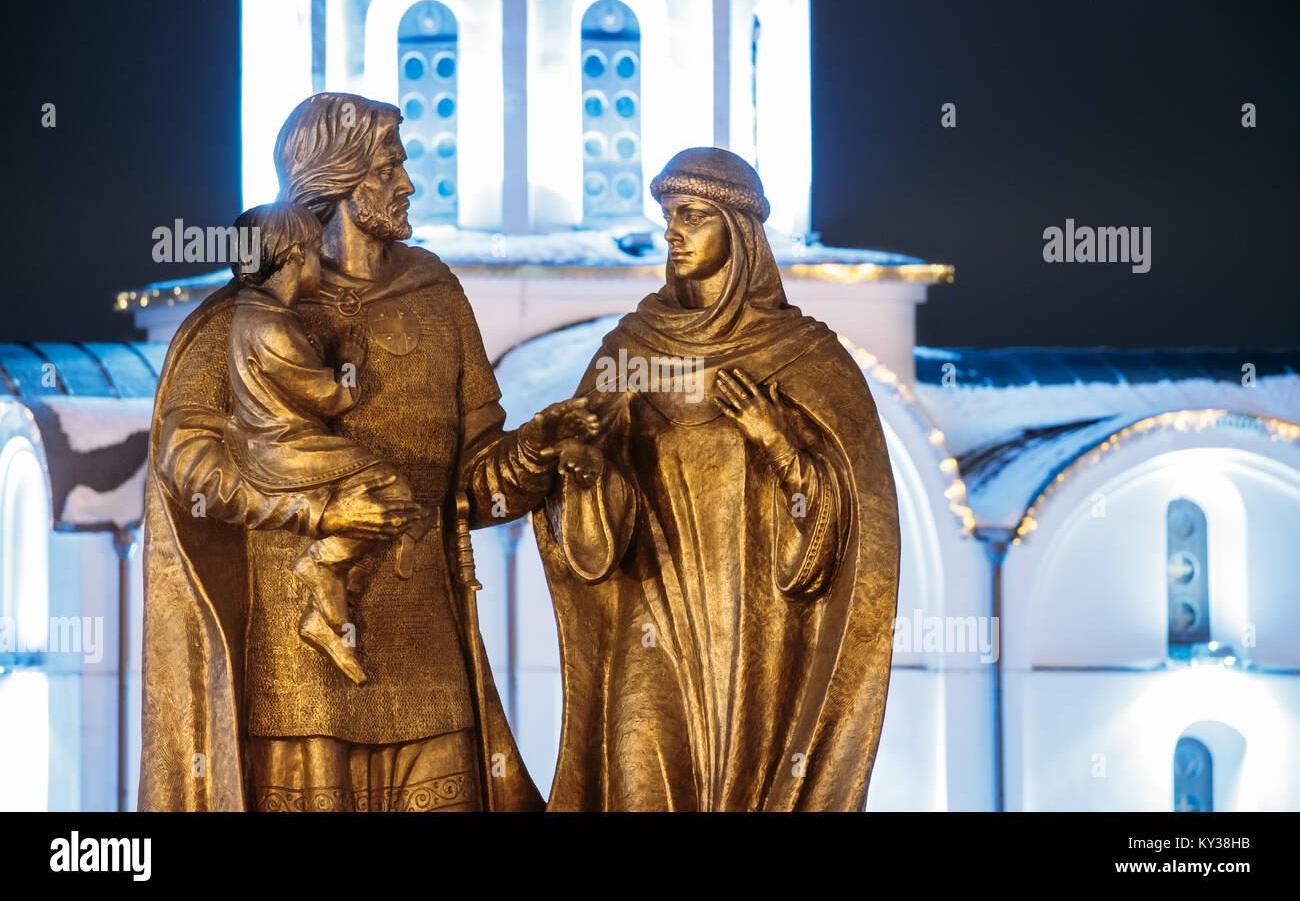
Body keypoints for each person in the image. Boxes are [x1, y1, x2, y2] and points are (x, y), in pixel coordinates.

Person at [141, 93, 595, 812]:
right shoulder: (248, 312)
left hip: (428, 662)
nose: (408, 185)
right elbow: (189, 462)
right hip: (298, 678)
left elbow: (471, 485)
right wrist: (312, 507)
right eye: (390, 167)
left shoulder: (437, 296)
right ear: (341, 179)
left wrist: (537, 453)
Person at [534, 147, 902, 811]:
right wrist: (587, 473)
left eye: (691, 215)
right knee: (638, 774)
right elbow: (590, 544)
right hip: (649, 620)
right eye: (668, 215)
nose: (672, 231)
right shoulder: (630, 350)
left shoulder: (806, 358)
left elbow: (842, 531)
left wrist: (781, 445)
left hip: (753, 639)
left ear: (738, 229)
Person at [225, 201, 421, 685]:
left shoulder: (264, 317)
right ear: (293, 257)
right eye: (315, 252)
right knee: (390, 491)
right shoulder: (270, 328)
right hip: (287, 450)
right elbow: (333, 397)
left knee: (382, 508)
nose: (322, 263)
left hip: (286, 445)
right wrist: (349, 360)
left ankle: (330, 614)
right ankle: (320, 562)